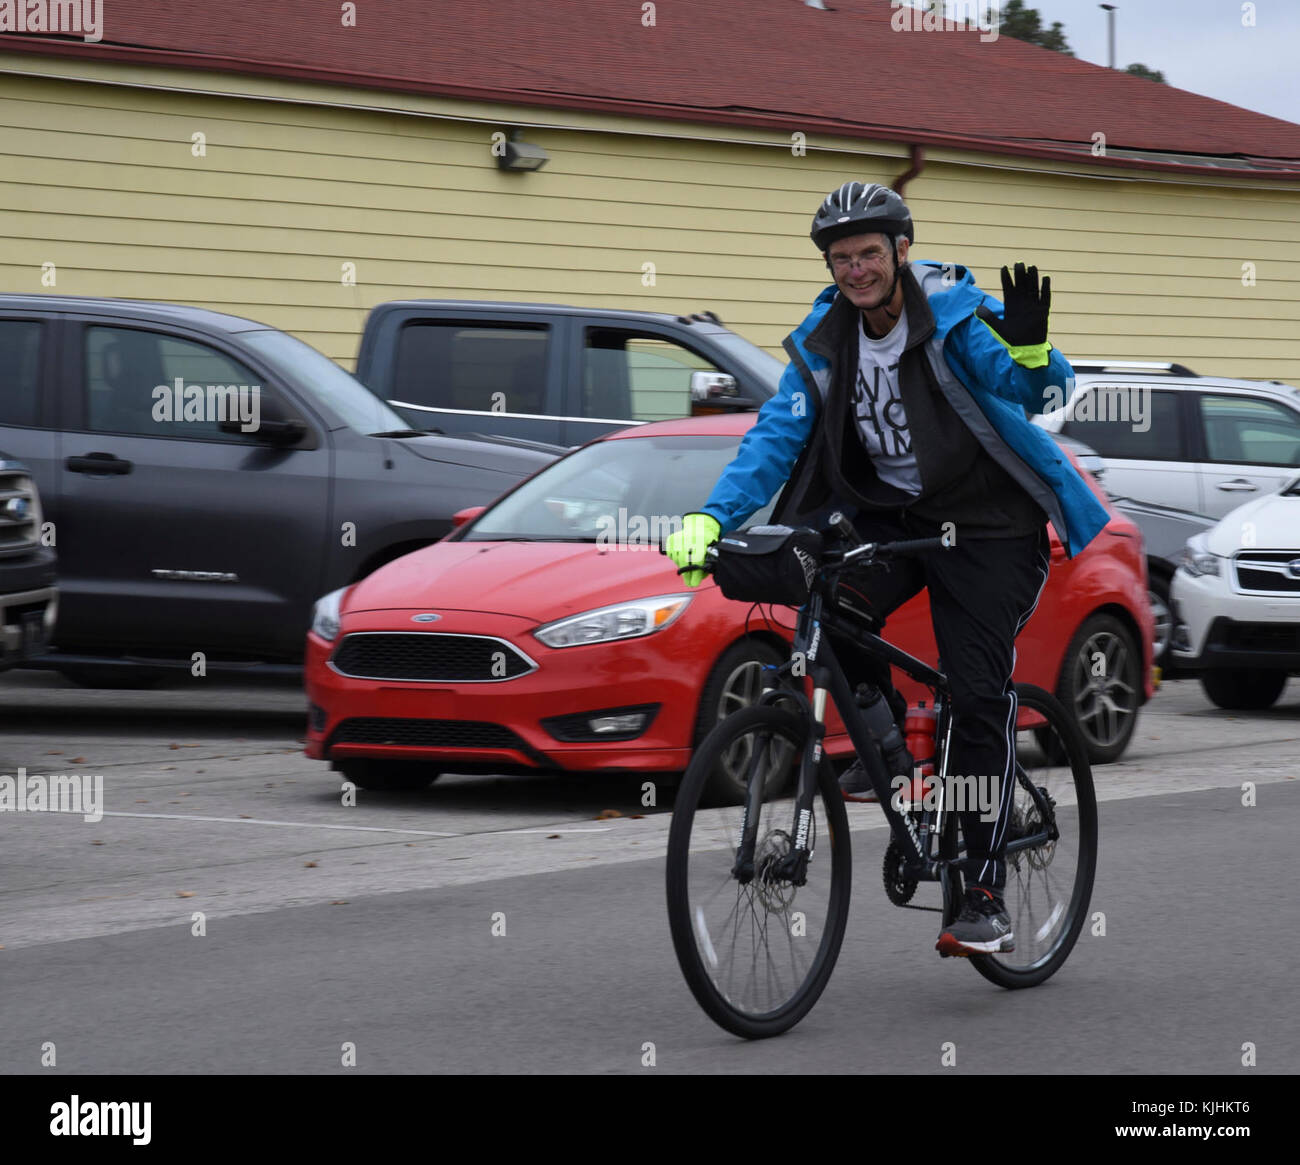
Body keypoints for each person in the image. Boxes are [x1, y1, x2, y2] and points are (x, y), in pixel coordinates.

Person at [665, 181, 1109, 957]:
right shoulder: (828, 338)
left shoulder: (952, 316)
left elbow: (1033, 389)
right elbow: (775, 434)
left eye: (871, 252)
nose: (857, 269)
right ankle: (893, 759)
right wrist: (713, 516)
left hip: (988, 527)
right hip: (894, 519)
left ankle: (978, 888)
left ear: (902, 250)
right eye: (842, 258)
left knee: (976, 694)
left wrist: (1035, 352)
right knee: (826, 597)